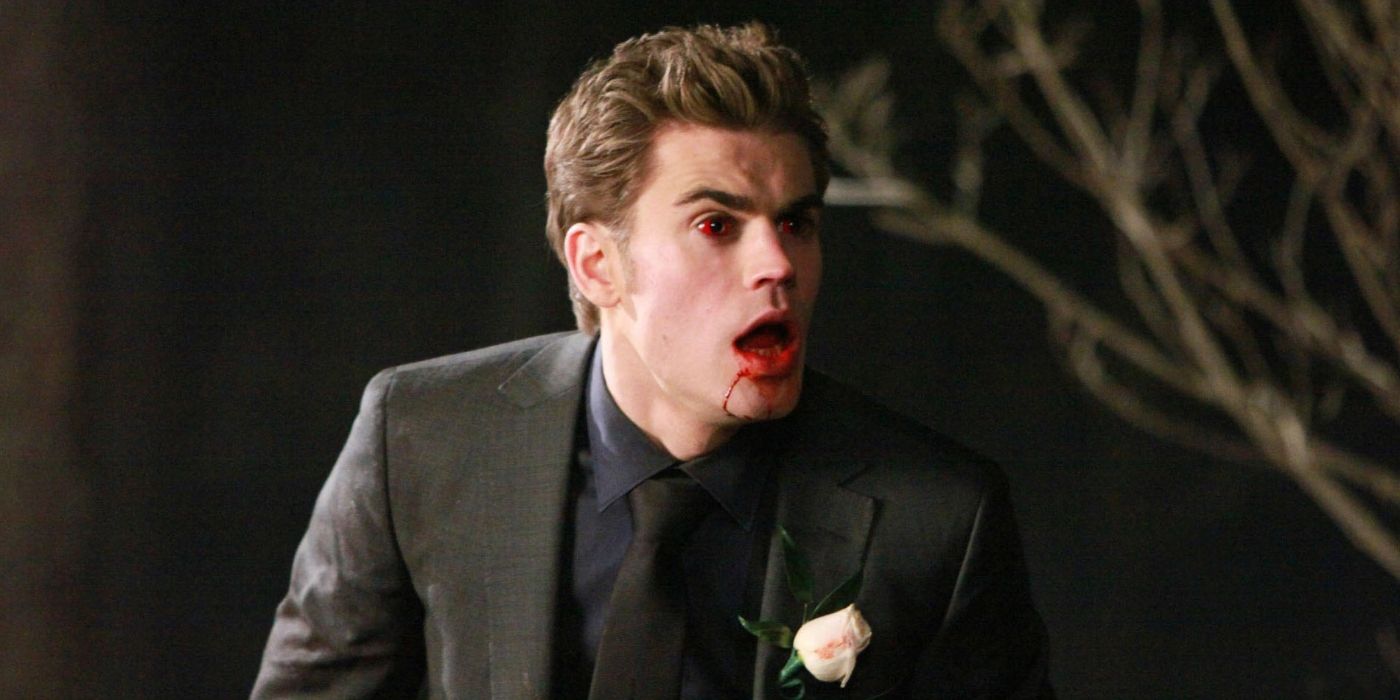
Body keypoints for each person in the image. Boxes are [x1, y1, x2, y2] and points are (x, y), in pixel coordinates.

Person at [252, 23, 1051, 699]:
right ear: (598, 264)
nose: (777, 264)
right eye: (717, 225)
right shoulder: (420, 438)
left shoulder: (938, 517)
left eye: (797, 224)